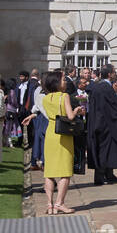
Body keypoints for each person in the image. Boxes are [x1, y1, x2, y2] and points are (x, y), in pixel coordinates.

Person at [41, 70, 85, 214]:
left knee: (50, 171)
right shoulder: (64, 96)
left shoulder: (45, 98)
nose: (65, 82)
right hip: (63, 134)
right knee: (65, 171)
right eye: (63, 80)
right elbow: (70, 116)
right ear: (56, 83)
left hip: (51, 132)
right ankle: (59, 203)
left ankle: (49, 204)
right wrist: (77, 110)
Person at [87, 66, 117, 184]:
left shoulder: (99, 86)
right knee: (104, 150)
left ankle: (109, 174)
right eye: (114, 72)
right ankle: (101, 177)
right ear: (110, 74)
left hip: (101, 122)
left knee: (109, 149)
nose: (116, 74)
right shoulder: (105, 87)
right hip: (104, 124)